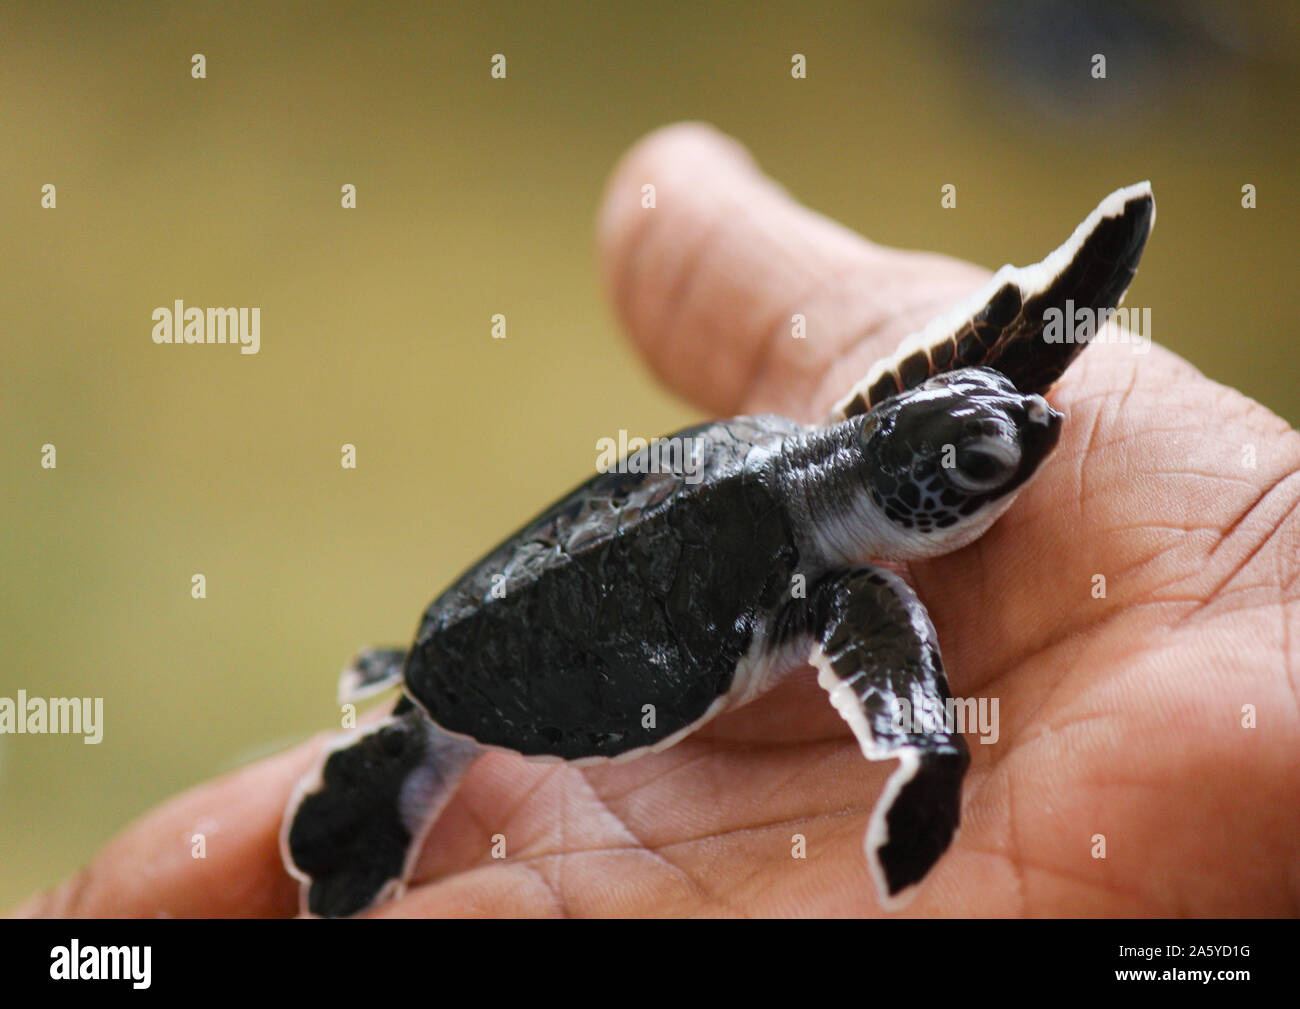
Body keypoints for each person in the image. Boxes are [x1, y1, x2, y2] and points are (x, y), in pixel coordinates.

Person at [17, 124, 1299, 918]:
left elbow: (976, 385)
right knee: (439, 724)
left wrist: (1039, 355)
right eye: (973, 455)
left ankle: (411, 702)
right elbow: (913, 692)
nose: (1027, 440)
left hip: (510, 598)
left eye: (989, 432)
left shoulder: (831, 454)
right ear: (897, 487)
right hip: (529, 653)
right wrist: (931, 769)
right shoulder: (844, 585)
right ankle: (412, 746)